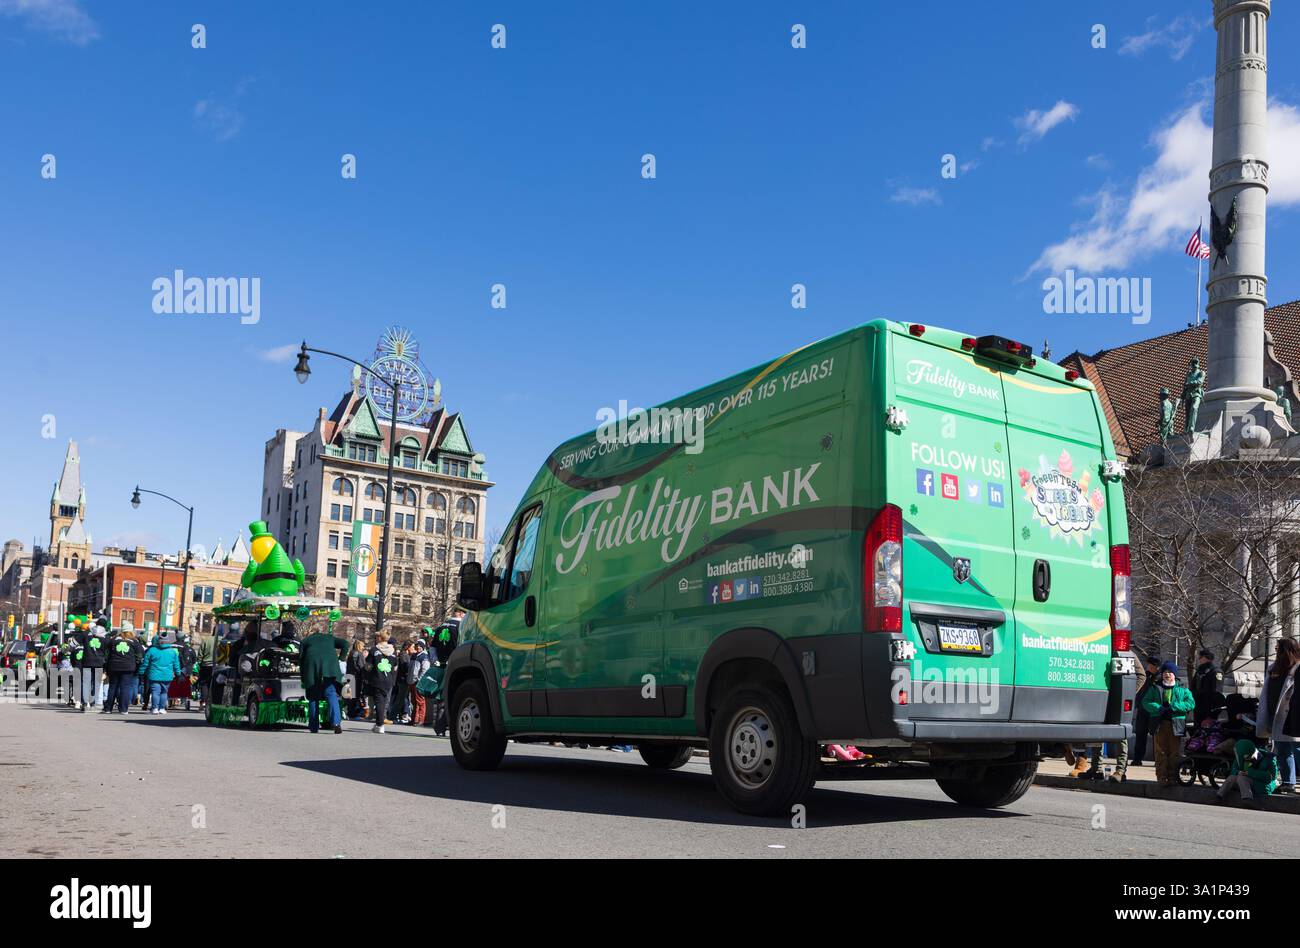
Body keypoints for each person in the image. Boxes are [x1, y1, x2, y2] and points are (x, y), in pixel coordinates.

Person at [1088, 654, 1146, 782]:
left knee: (1121, 733)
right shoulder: (1101, 649)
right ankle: (1096, 768)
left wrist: (1128, 692)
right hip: (1101, 697)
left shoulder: (1122, 652)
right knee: (1096, 732)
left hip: (1118, 699)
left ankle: (1120, 770)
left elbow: (1141, 675)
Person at [1141, 661, 1196, 788]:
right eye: (1165, 672)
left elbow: (1191, 703)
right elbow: (1145, 702)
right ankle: (1161, 777)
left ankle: (1173, 778)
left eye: (1170, 672)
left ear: (1175, 675)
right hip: (1160, 724)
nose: (1167, 675)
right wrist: (1158, 708)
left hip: (1176, 724)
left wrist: (1176, 707)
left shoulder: (1183, 689)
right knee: (1160, 752)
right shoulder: (1155, 687)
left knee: (1174, 752)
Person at [1258, 637, 1300, 793]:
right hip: (1276, 715)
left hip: (1293, 715)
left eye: (1278, 649)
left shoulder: (1297, 668)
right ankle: (1289, 782)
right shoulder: (1273, 668)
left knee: (1297, 748)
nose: (1276, 652)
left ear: (1286, 650)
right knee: (1282, 749)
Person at [299, 624, 350, 734]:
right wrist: (341, 658)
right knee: (331, 694)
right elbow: (346, 644)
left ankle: (313, 726)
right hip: (330, 669)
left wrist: (303, 678)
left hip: (312, 671)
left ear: (311, 632)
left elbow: (301, 661)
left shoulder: (305, 641)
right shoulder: (329, 638)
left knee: (313, 697)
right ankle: (336, 723)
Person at [1215, 739, 1278, 809]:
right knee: (1232, 777)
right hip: (1247, 783)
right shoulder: (1242, 757)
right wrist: (1238, 772)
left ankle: (1247, 799)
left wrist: (1250, 773)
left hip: (1263, 786)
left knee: (1242, 778)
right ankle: (1219, 797)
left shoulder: (1268, 759)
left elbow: (1270, 778)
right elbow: (1234, 770)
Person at [138, 634, 182, 716]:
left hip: (154, 675)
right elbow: (176, 665)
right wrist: (178, 674)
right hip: (167, 675)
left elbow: (145, 663)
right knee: (164, 692)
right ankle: (162, 708)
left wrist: (141, 671)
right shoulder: (172, 652)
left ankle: (154, 708)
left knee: (155, 692)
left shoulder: (152, 650)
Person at [366, 631, 399, 734]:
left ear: (380, 638)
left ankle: (380, 724)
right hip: (389, 679)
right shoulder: (393, 651)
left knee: (379, 701)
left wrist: (367, 674)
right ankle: (378, 723)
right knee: (384, 701)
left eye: (377, 637)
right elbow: (395, 667)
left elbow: (368, 666)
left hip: (377, 678)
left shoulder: (374, 650)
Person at [105, 626, 143, 714]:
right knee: (125, 688)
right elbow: (139, 656)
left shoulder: (113, 640)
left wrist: (106, 666)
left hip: (113, 666)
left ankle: (108, 708)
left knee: (112, 687)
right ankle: (123, 709)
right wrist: (136, 666)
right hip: (128, 667)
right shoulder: (134, 641)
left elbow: (107, 654)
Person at [1131, 654, 1161, 767]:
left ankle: (1157, 760)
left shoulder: (1159, 679)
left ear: (1156, 666)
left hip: (1154, 710)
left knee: (1156, 736)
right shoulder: (1145, 677)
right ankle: (1137, 758)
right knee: (1140, 734)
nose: (1148, 667)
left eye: (1150, 665)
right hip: (1142, 710)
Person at [74, 619, 108, 712]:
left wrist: (68, 649)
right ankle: (95, 704)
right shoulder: (105, 636)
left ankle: (85, 703)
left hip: (87, 662)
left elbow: (73, 643)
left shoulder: (86, 634)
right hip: (100, 663)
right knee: (97, 684)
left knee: (86, 683)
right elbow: (108, 652)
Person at [1191, 649, 1223, 724]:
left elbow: (1217, 694)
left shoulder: (1216, 672)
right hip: (1198, 707)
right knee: (1198, 731)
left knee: (1208, 732)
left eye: (1200, 657)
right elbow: (1193, 687)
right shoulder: (1200, 670)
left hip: (1209, 709)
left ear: (1206, 657)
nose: (1199, 659)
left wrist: (1212, 714)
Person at [406, 639, 430, 727]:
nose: (418, 647)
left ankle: (420, 720)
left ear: (423, 647)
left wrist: (419, 680)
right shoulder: (414, 655)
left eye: (420, 646)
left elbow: (425, 670)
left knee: (420, 701)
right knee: (413, 701)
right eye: (417, 645)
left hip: (418, 682)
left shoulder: (424, 657)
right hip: (412, 681)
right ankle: (414, 719)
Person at [347, 640, 369, 720]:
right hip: (356, 677)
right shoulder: (359, 654)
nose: (363, 648)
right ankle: (355, 714)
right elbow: (361, 666)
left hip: (349, 676)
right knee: (356, 696)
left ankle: (350, 713)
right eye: (363, 646)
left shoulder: (351, 653)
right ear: (359, 646)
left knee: (350, 696)